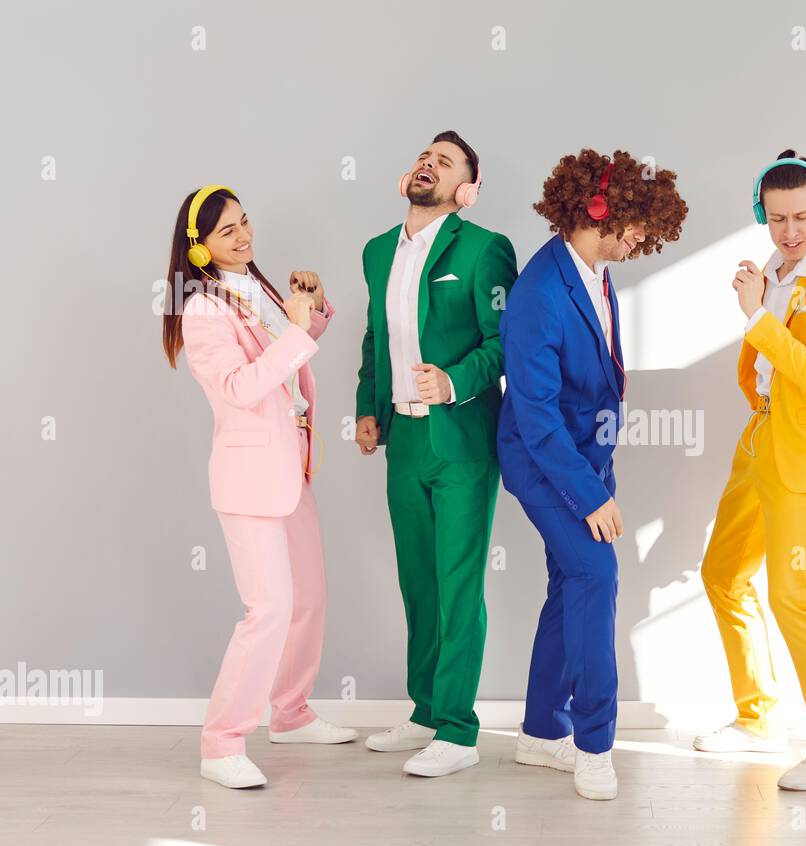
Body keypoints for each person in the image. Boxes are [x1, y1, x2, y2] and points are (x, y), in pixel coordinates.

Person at [497, 149, 687, 800]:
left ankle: (539, 732)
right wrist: (588, 497)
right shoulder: (538, 293)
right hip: (540, 458)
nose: (642, 239)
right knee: (597, 571)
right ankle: (594, 744)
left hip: (585, 456)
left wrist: (601, 469)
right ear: (598, 209)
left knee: (568, 583)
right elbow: (537, 415)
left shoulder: (596, 272)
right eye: (637, 224)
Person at [163, 185, 356, 789]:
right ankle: (221, 743)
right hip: (249, 477)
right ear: (198, 250)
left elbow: (293, 350)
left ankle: (291, 713)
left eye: (245, 222)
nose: (245, 237)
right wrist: (298, 330)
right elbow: (242, 388)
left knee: (309, 599)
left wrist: (313, 310)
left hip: (291, 466)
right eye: (227, 232)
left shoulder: (256, 287)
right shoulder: (201, 310)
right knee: (267, 608)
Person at [694, 151, 806, 791]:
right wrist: (762, 302)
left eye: (800, 217)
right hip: (759, 436)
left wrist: (757, 314)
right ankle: (760, 717)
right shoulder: (773, 268)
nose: (790, 231)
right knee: (722, 573)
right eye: (776, 219)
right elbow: (765, 365)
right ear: (762, 216)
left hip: (803, 452)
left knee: (793, 595)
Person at [354, 132, 518, 778]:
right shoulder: (376, 252)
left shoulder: (483, 250)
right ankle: (425, 710)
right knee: (418, 581)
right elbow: (375, 334)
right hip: (404, 440)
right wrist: (369, 406)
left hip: (461, 439)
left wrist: (452, 380)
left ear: (465, 190)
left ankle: (457, 727)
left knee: (458, 584)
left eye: (445, 162)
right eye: (426, 155)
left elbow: (503, 342)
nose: (430, 163)